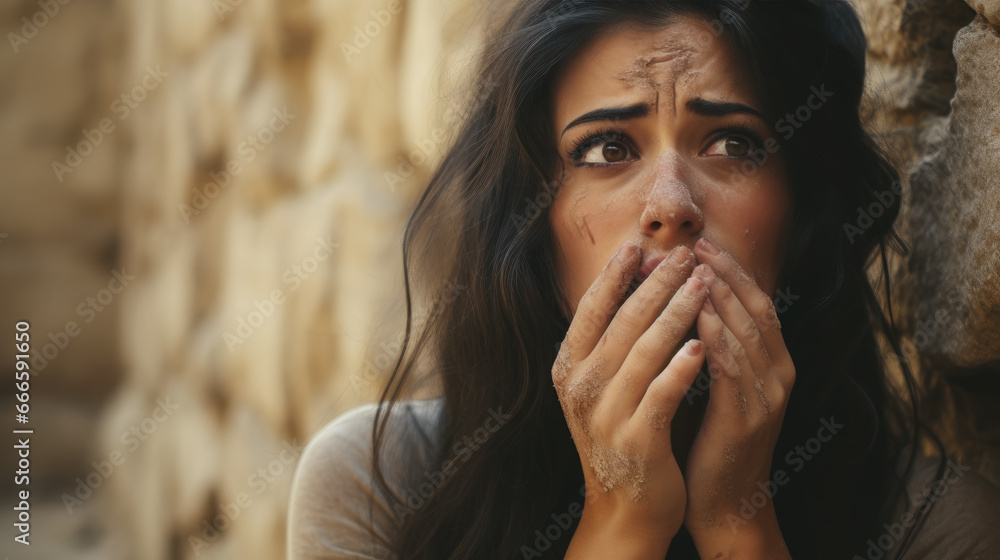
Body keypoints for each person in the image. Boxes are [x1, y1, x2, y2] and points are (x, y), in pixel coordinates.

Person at [287, 1, 1000, 558]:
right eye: (606, 148)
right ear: (533, 221)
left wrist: (737, 523)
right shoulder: (380, 488)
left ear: (802, 211)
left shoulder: (931, 530)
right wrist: (622, 523)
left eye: (732, 144)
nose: (672, 206)